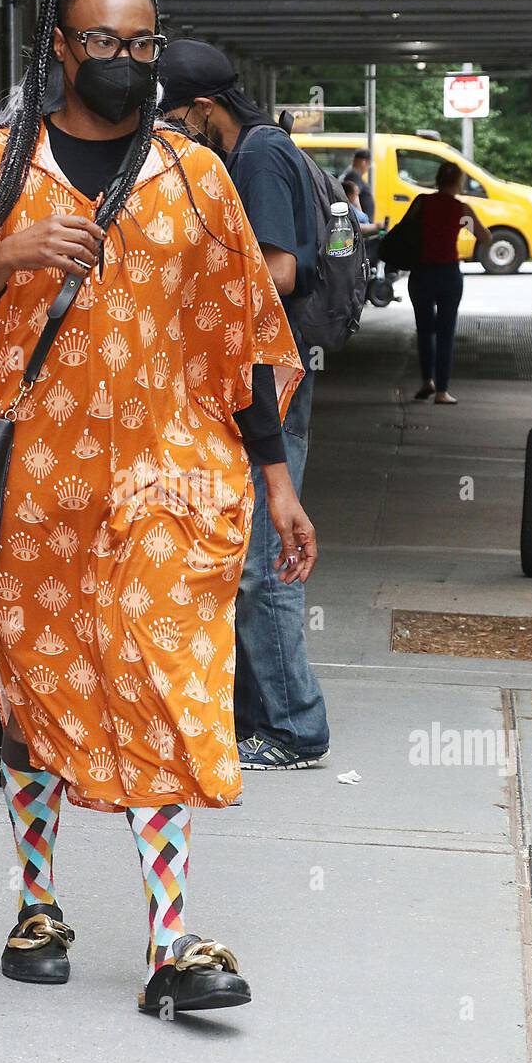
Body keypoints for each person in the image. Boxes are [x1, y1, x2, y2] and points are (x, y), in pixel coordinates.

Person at [0, 0, 313, 1014]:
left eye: (144, 46)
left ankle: (171, 944)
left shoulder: (195, 176)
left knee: (161, 671)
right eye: (106, 41)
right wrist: (0, 259)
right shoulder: (2, 163)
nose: (128, 63)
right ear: (59, 42)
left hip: (168, 478)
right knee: (35, 690)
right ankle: (38, 899)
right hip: (41, 479)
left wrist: (276, 479)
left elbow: (240, 334)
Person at [158, 39, 330, 772]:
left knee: (263, 560)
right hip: (270, 373)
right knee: (250, 550)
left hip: (270, 375)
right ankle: (261, 718)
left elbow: (280, 271)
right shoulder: (269, 148)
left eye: (173, 116)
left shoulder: (256, 157)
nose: (168, 132)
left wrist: (188, 276)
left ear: (203, 109)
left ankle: (294, 728)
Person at [409, 160, 491, 405]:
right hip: (448, 274)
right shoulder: (461, 208)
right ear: (458, 183)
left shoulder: (422, 202)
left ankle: (427, 381)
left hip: (421, 273)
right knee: (446, 332)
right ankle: (442, 391)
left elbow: (406, 229)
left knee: (424, 330)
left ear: (437, 180)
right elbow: (486, 237)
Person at [342, 149, 375, 222]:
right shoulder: (354, 175)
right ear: (364, 162)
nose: (368, 168)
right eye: (368, 164)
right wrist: (362, 217)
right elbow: (353, 197)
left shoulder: (354, 175)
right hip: (361, 224)